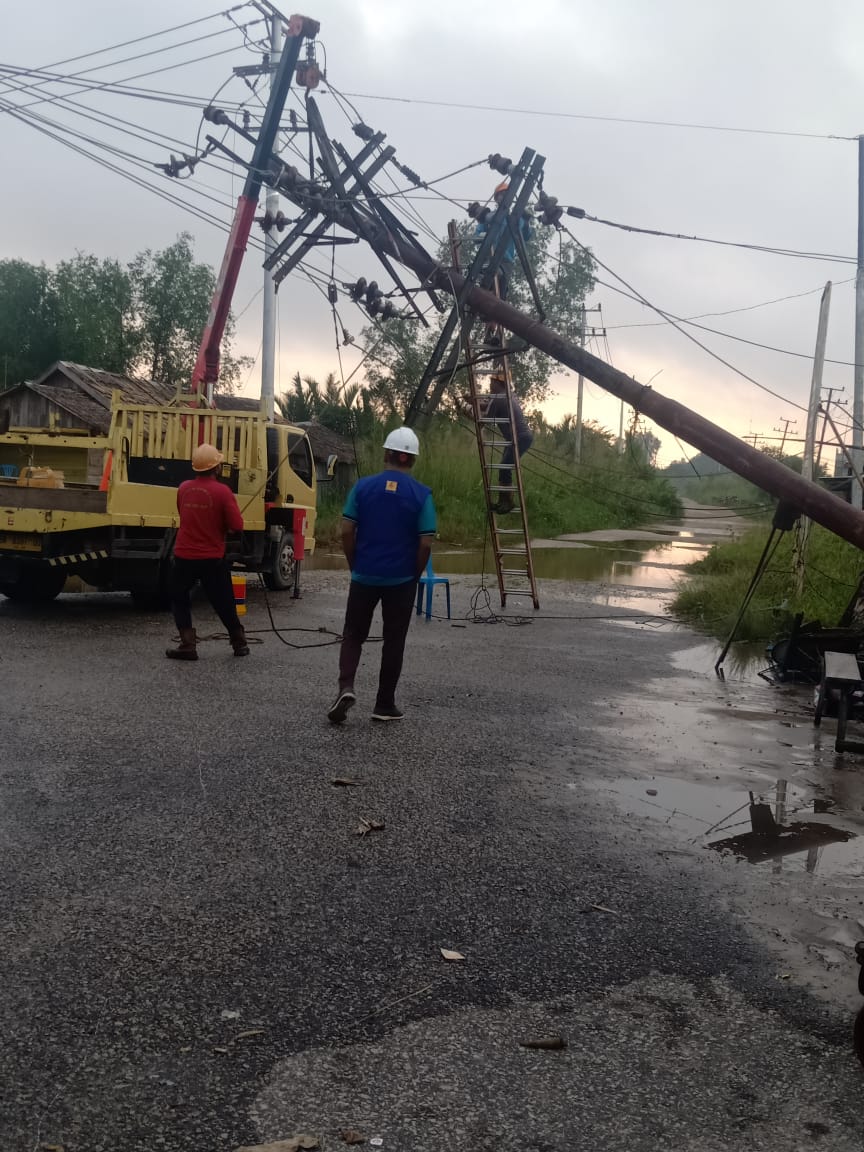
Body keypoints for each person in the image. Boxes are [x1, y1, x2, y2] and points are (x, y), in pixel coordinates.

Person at [328, 427, 436, 724]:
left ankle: (346, 687)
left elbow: (346, 530)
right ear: (412, 459)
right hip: (401, 580)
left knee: (353, 635)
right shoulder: (422, 494)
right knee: (394, 639)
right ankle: (384, 704)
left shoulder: (362, 487)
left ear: (386, 454)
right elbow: (426, 542)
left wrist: (355, 564)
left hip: (364, 575)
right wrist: (413, 575)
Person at [165, 442, 250, 661]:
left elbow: (184, 515)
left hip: (184, 556)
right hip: (212, 558)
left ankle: (187, 645)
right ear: (216, 467)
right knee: (224, 601)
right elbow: (237, 526)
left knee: (179, 598)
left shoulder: (183, 488)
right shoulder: (223, 492)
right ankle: (239, 643)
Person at [461, 375, 533, 515]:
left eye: (491, 382)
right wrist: (472, 401)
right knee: (503, 467)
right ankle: (503, 501)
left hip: (519, 438)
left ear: (498, 383)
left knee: (504, 467)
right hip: (518, 438)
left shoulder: (499, 398)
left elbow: (484, 421)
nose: (490, 385)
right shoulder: (506, 395)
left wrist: (467, 411)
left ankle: (508, 502)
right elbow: (486, 406)